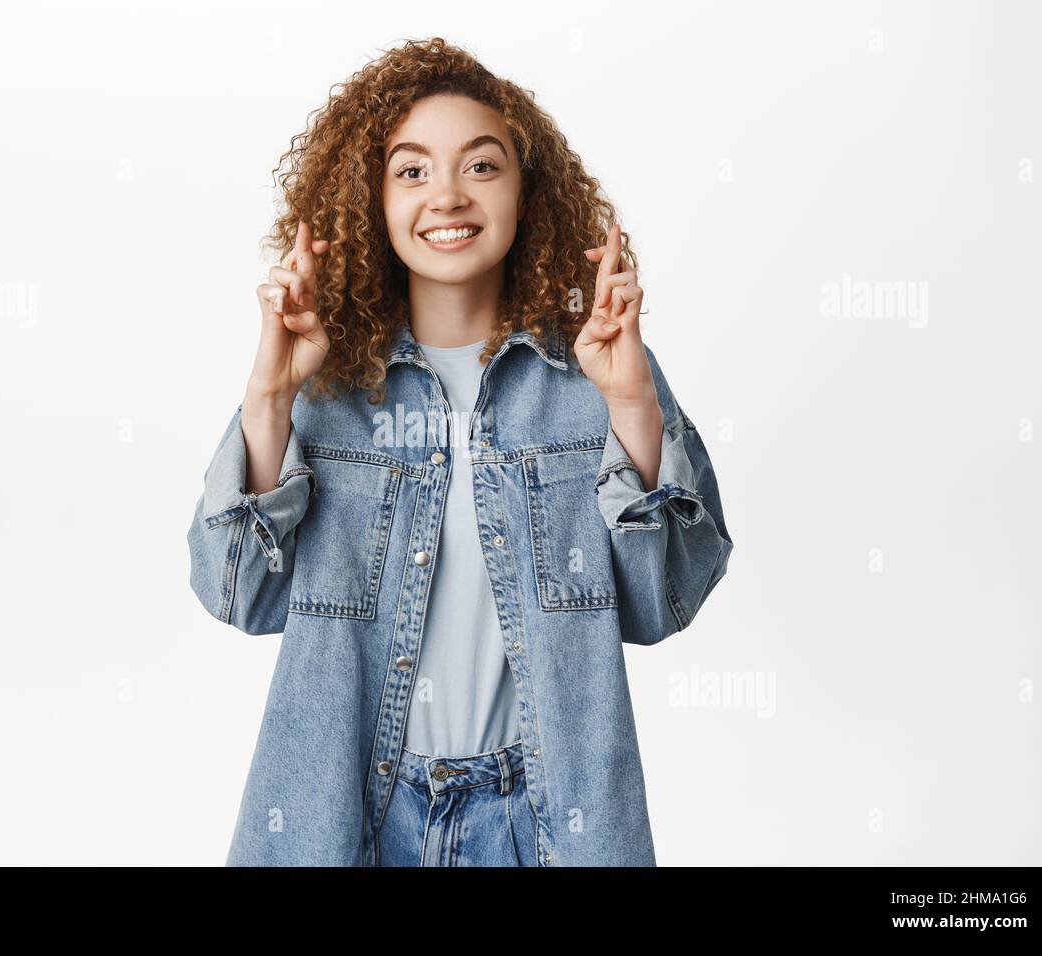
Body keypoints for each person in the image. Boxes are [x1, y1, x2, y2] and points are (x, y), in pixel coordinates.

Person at [188, 37, 734, 866]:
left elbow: (667, 601)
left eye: (481, 166)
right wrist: (270, 398)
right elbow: (235, 594)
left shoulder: (596, 369)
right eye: (411, 171)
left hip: (547, 824)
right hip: (349, 819)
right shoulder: (325, 385)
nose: (446, 195)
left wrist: (631, 405)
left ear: (527, 191)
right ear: (370, 201)